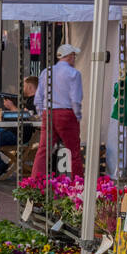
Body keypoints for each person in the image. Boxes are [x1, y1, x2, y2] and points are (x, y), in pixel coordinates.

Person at [30, 44, 84, 181]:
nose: (74, 58)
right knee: (74, 151)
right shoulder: (74, 73)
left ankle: (36, 182)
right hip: (66, 113)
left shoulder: (46, 72)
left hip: (48, 112)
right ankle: (77, 184)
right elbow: (75, 99)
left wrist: (42, 111)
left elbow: (38, 98)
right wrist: (77, 115)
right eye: (74, 55)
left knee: (43, 149)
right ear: (70, 56)